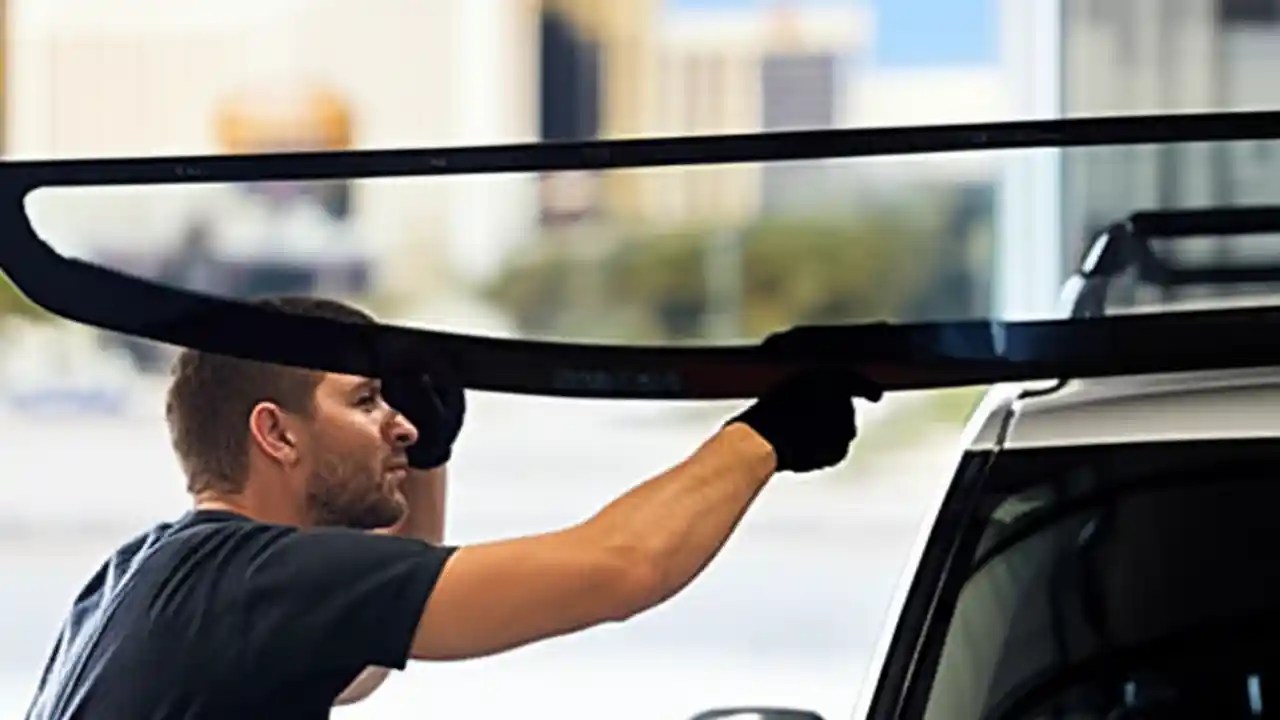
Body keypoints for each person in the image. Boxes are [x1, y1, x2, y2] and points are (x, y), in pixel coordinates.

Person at [23, 295, 884, 720]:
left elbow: (359, 667)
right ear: (275, 435)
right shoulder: (263, 581)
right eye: (366, 403)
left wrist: (424, 461)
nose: (396, 423)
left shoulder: (142, 575)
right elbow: (622, 567)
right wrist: (766, 433)